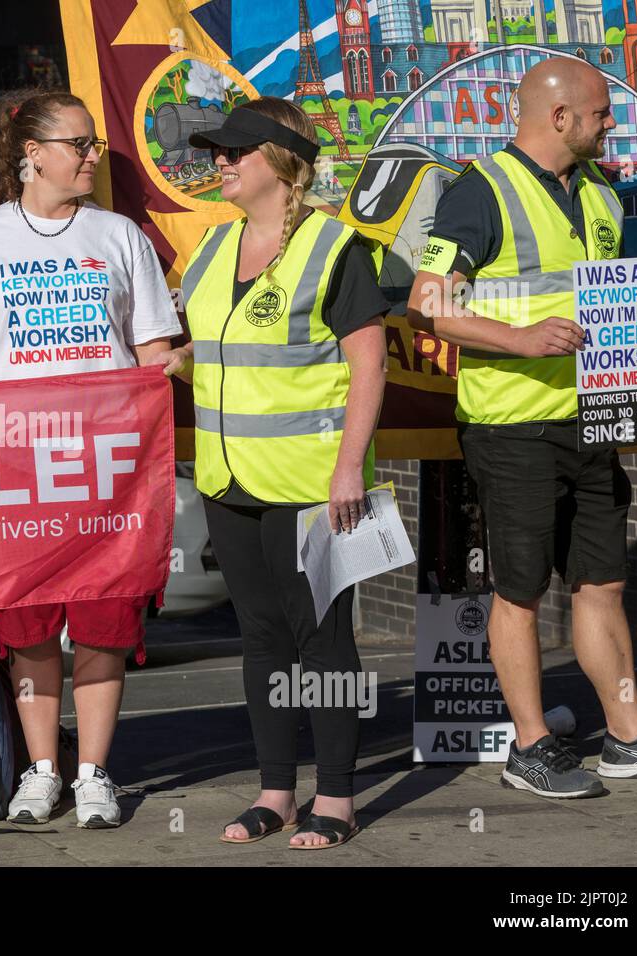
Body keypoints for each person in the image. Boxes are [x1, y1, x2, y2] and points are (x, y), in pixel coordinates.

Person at [409, 57, 637, 797]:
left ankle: (629, 734)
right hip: (513, 426)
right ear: (559, 117)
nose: (611, 123)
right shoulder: (481, 192)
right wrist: (520, 338)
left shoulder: (600, 194)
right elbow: (429, 304)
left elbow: (606, 295)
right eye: (599, 113)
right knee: (520, 593)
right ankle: (531, 749)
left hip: (590, 419)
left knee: (603, 584)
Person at [0, 90, 182, 828]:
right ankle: (41, 773)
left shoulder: (119, 236)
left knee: (105, 624)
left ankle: (95, 774)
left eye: (95, 144)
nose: (93, 157)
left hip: (108, 467)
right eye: (80, 144)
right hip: (17, 469)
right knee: (29, 629)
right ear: (30, 155)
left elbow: (154, 353)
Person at [155, 97, 388, 848]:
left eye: (235, 152)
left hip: (315, 486)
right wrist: (172, 363)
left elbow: (369, 365)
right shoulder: (215, 250)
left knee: (322, 641)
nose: (219, 163)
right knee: (261, 639)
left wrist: (349, 468)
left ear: (281, 165)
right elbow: (220, 355)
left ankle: (339, 798)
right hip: (230, 480)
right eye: (217, 152)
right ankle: (276, 791)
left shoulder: (335, 249)